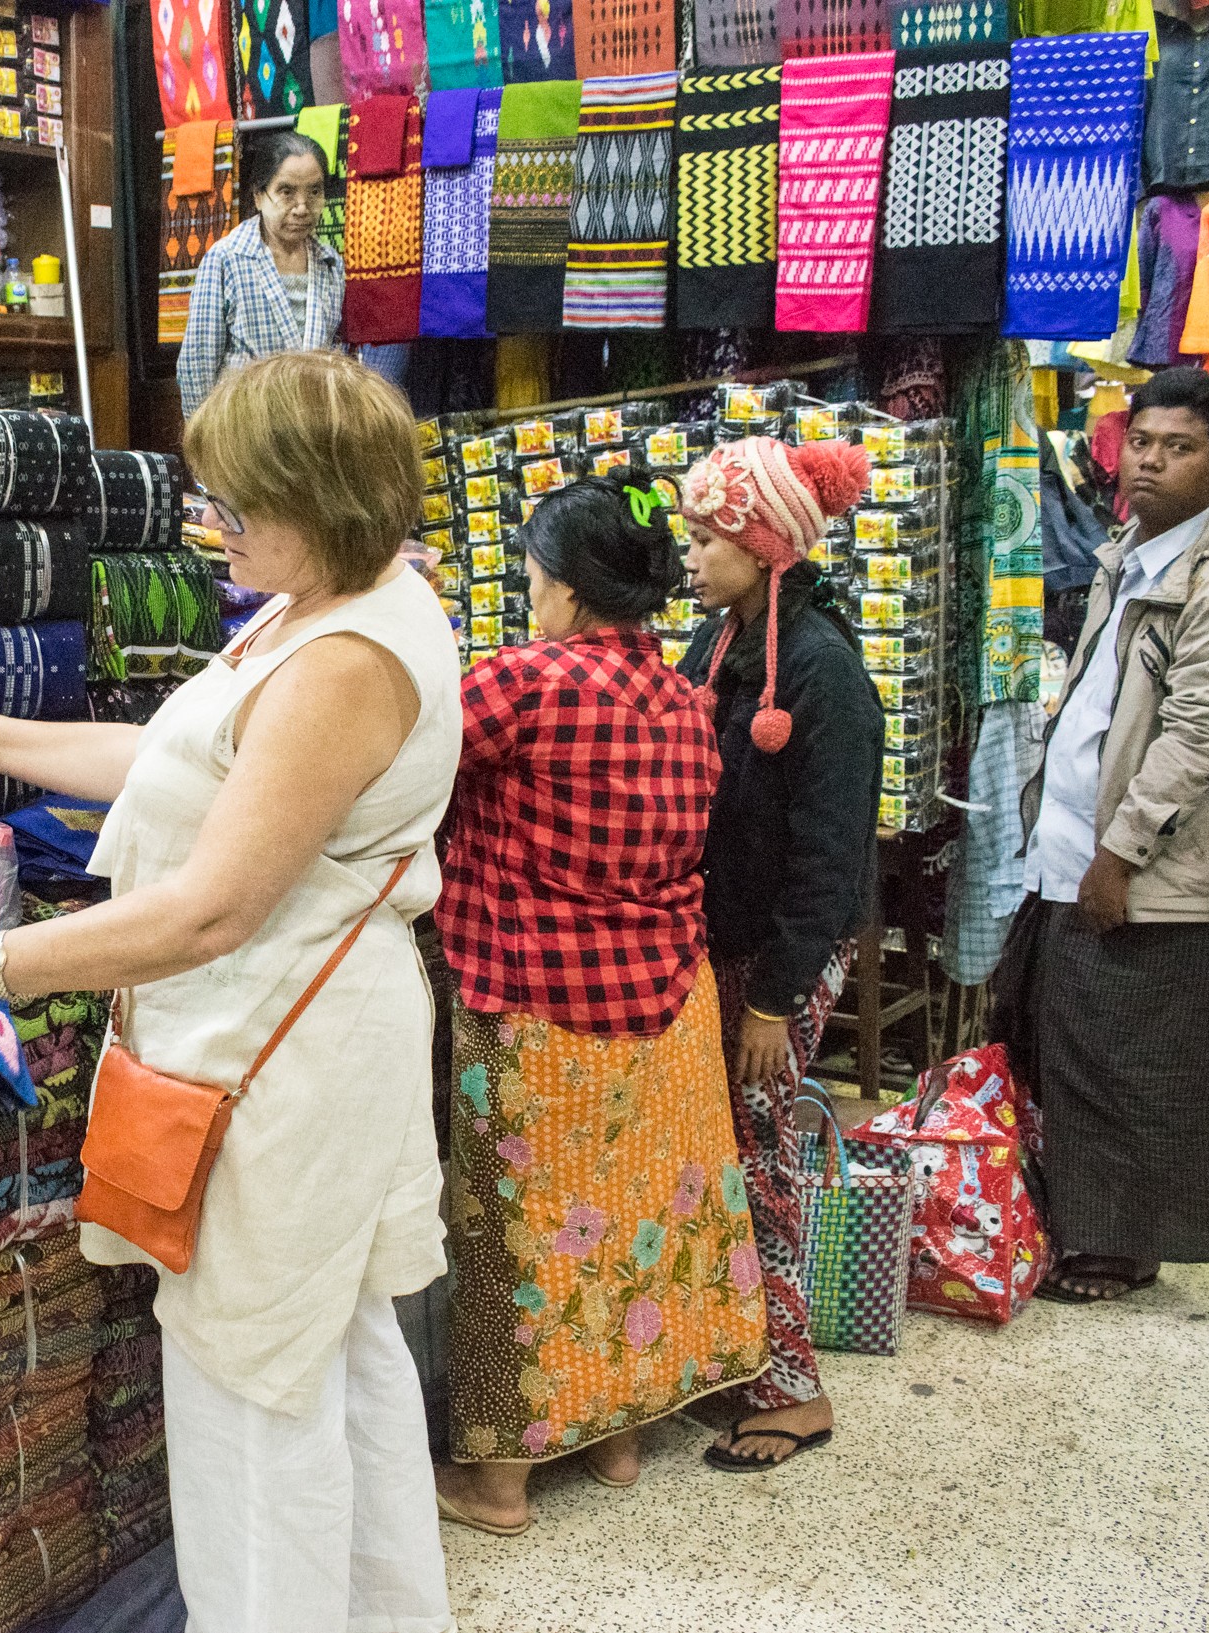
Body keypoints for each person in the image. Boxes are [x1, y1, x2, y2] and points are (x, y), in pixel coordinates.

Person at [0, 351, 459, 1632]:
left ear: (326, 500)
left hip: (278, 1057)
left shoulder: (348, 655)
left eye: (238, 507)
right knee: (325, 1369)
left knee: (255, 1397)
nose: (213, 529)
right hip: (277, 1034)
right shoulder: (317, 607)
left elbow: (211, 907)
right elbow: (182, 756)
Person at [430, 473, 767, 1535]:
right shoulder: (686, 698)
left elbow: (398, 767)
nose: (532, 600)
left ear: (570, 591)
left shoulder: (515, 684)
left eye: (535, 581)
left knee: (511, 1238)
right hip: (665, 999)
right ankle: (617, 1438)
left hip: (533, 1002)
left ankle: (497, 1482)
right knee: (630, 1227)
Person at [995, 366, 1209, 1306]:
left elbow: (1194, 740)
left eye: (1181, 447)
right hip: (1078, 849)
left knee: (1138, 1058)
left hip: (1152, 869)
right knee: (1071, 1040)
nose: (1151, 461)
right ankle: (1084, 1226)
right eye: (1144, 442)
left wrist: (1117, 856)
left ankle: (1120, 1248)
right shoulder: (1132, 550)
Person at [676, 435, 883, 1474]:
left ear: (763, 545)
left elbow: (831, 855)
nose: (692, 553)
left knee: (763, 1162)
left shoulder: (822, 671)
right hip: (728, 951)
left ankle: (793, 1389)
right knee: (730, 1159)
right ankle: (738, 1356)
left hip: (775, 962)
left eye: (708, 535)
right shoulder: (716, 642)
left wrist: (774, 998)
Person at [176, 132, 344, 419]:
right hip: (244, 428)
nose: (302, 208)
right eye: (286, 192)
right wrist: (205, 442)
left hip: (310, 429)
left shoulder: (330, 264)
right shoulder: (227, 259)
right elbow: (197, 364)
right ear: (258, 197)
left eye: (314, 192)